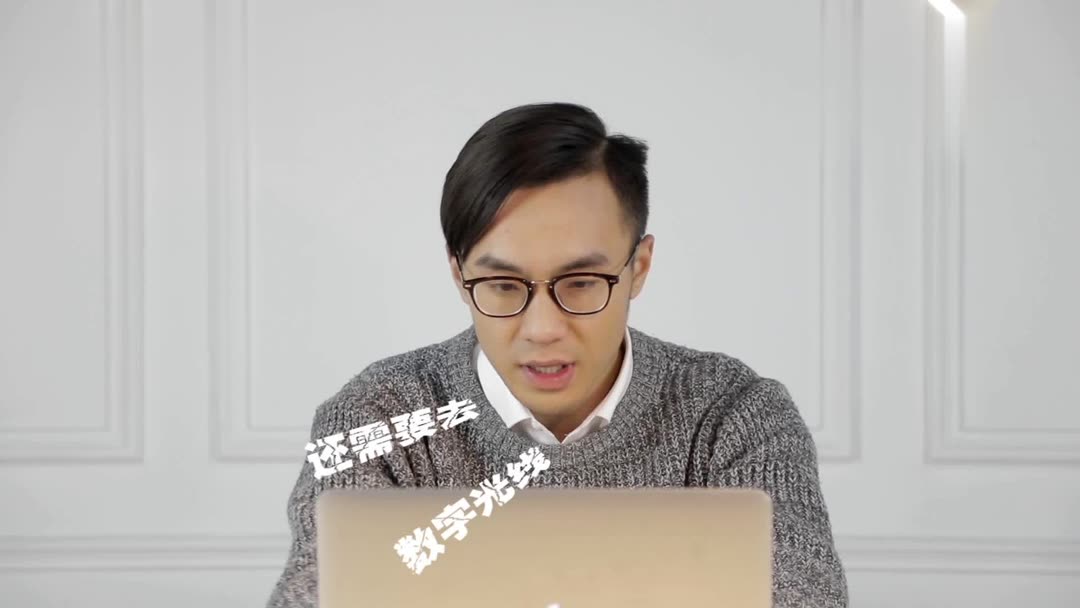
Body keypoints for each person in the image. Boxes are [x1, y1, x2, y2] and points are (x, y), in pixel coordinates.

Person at [266, 102, 849, 607]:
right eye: (502, 285)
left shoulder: (733, 414)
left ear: (639, 267)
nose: (543, 330)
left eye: (582, 282)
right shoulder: (376, 417)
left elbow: (803, 595)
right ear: (459, 275)